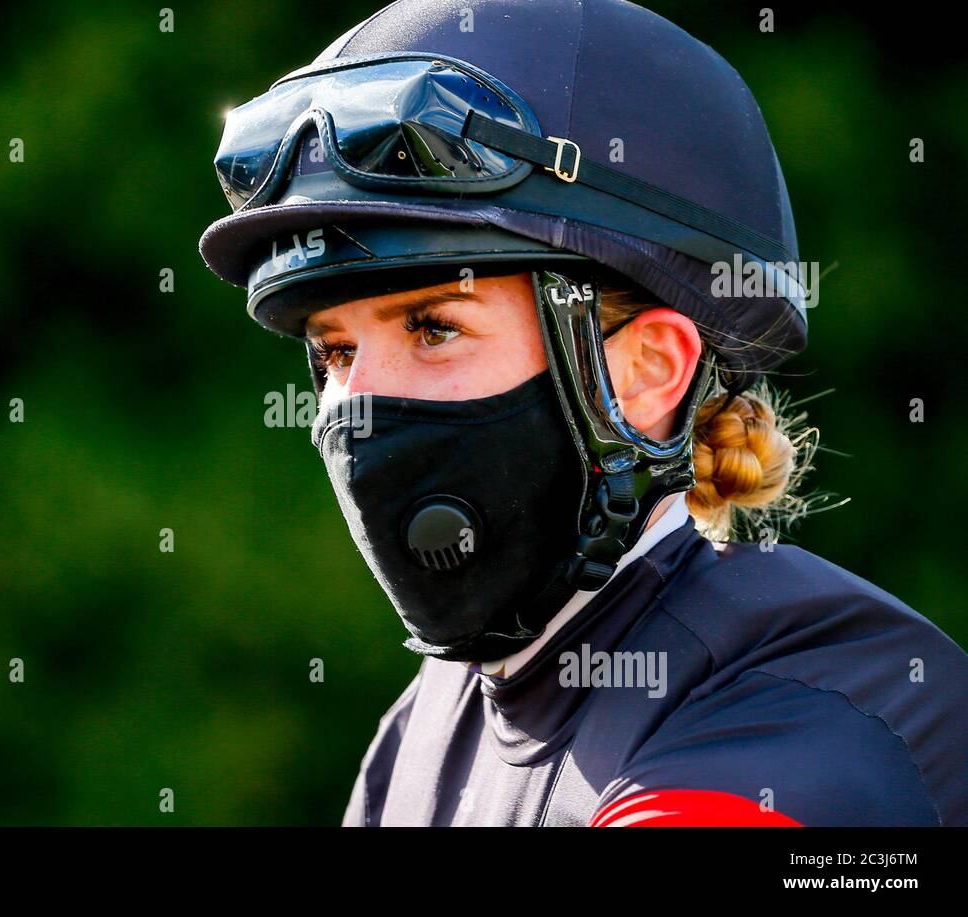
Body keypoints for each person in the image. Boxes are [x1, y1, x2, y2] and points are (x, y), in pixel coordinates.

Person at [197, 0, 968, 826]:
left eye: (434, 326)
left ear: (646, 369)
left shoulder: (820, 704)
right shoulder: (416, 737)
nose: (361, 404)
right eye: (335, 352)